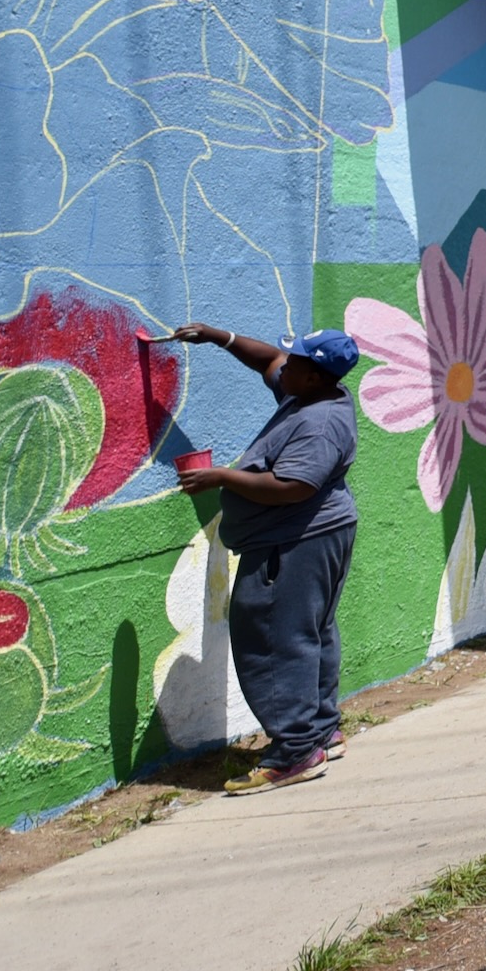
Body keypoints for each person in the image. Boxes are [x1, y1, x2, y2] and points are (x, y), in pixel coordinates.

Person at [166, 322, 361, 795]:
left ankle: (295, 753)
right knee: (309, 632)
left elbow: (294, 487)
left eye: (295, 362)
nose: (283, 364)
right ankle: (319, 729)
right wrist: (218, 337)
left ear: (314, 377)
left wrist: (222, 478)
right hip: (315, 535)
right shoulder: (312, 393)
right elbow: (267, 360)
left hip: (293, 542)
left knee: (273, 636)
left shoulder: (319, 424)